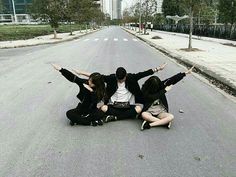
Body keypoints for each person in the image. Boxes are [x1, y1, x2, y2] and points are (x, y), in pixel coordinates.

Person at [99, 63, 167, 122]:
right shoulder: (111, 78)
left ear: (126, 75)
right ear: (116, 76)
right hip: (114, 105)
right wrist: (89, 78)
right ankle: (125, 116)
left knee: (139, 109)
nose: (121, 81)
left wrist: (158, 69)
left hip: (128, 105)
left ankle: (116, 117)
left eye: (123, 79)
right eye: (119, 80)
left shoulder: (131, 77)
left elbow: (143, 74)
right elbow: (97, 77)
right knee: (103, 108)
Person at [140, 66, 194, 130]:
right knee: (144, 114)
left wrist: (185, 73)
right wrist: (165, 90)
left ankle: (149, 124)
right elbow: (152, 97)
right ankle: (164, 122)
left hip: (161, 112)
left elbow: (172, 79)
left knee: (171, 117)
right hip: (149, 111)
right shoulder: (144, 91)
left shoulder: (160, 86)